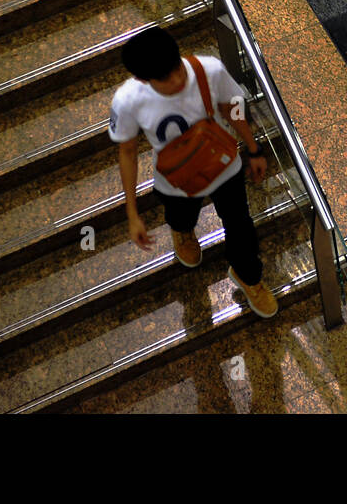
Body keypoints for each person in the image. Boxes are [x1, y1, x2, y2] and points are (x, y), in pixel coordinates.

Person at [109, 26, 277, 318]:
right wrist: (132, 213)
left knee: (241, 226)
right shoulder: (127, 101)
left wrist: (253, 148)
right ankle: (183, 232)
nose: (176, 81)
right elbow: (127, 153)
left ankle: (248, 277)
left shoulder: (208, 70)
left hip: (224, 166)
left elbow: (232, 109)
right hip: (176, 180)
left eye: (176, 69)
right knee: (181, 216)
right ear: (142, 79)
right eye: (165, 78)